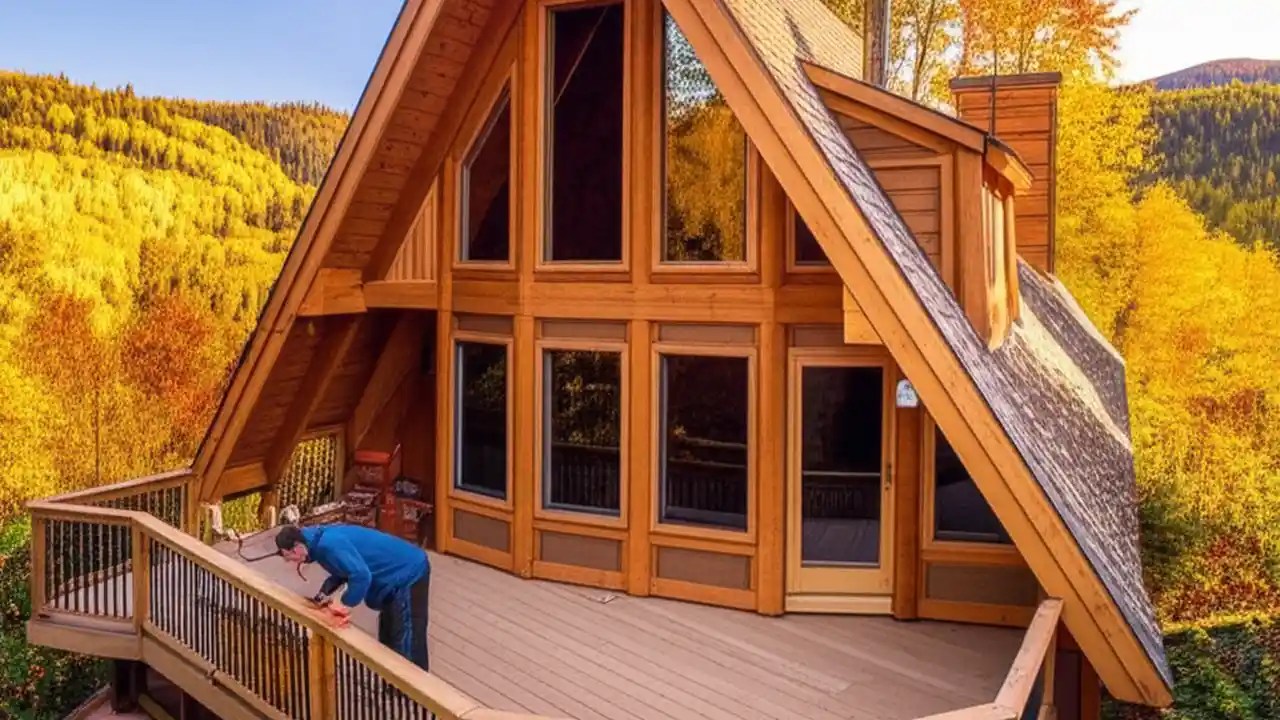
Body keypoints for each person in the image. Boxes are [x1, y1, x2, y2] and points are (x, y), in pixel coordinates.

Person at [275, 523, 430, 671]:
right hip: (392, 576)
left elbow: (361, 576)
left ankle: (415, 694)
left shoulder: (328, 545)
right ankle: (393, 687)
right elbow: (343, 569)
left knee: (407, 643)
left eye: (290, 557)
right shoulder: (317, 541)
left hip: (409, 572)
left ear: (297, 548)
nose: (291, 561)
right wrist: (323, 594)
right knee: (389, 636)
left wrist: (344, 605)